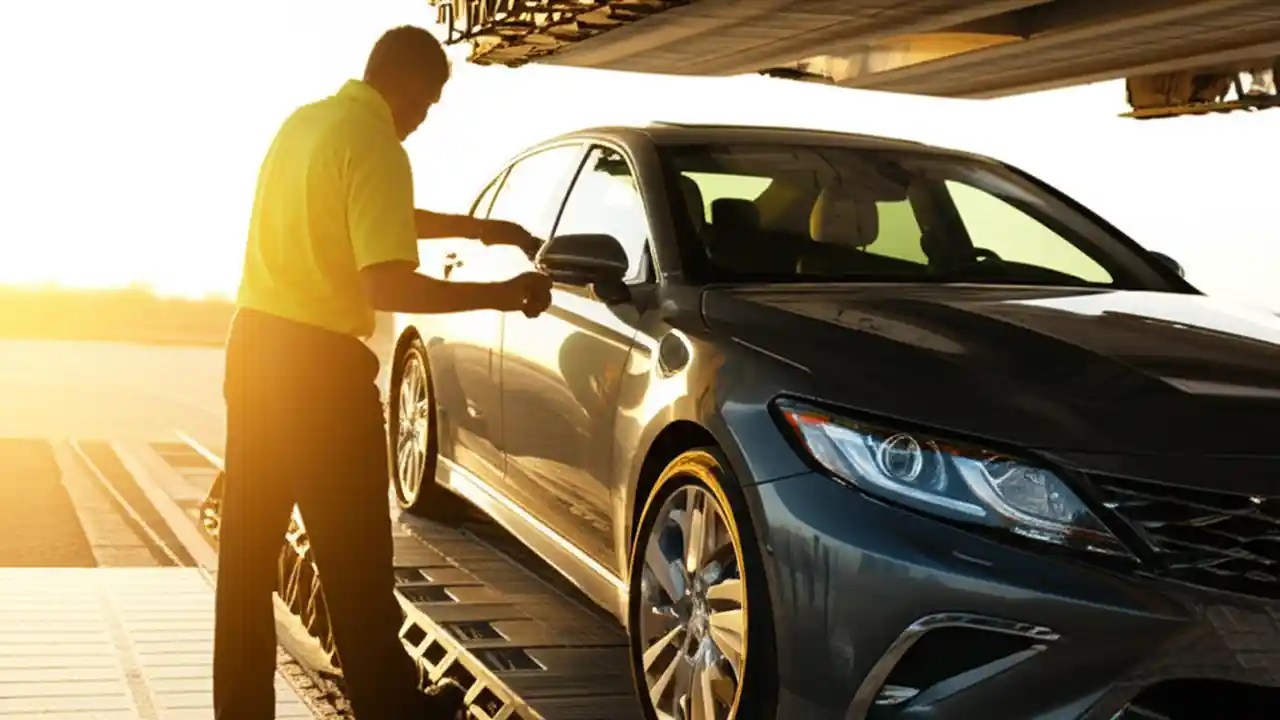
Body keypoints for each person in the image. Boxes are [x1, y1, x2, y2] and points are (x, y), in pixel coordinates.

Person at [215, 25, 552, 720]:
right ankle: (392, 708)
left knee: (246, 563)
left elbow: (370, 217)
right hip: (318, 377)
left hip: (252, 352)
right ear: (402, 83)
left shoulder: (305, 126)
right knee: (357, 560)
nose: (422, 119)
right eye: (425, 102)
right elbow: (387, 284)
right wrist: (504, 293)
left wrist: (479, 230)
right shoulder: (378, 147)